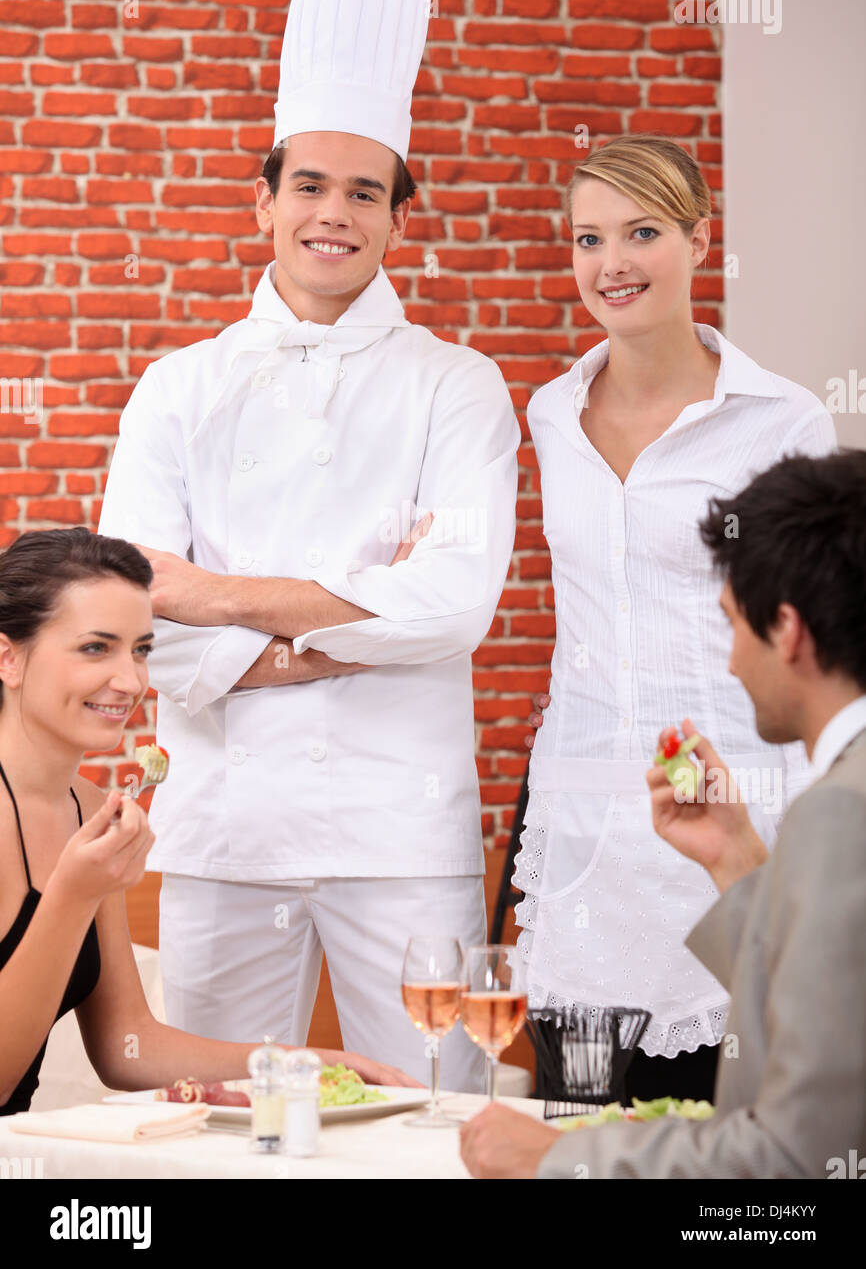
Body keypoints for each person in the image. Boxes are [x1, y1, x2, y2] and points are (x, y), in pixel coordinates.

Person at [97, 0, 519, 1091]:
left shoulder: (458, 385)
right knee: (223, 1124)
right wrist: (350, 623)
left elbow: (450, 610)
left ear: (396, 216)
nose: (333, 214)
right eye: (310, 185)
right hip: (227, 836)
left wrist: (218, 596)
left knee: (439, 1126)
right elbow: (145, 628)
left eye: (364, 192)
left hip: (405, 839)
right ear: (264, 196)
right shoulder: (177, 385)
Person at [511, 134, 836, 1101]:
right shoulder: (549, 416)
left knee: (722, 1125)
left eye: (642, 232)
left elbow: (814, 645)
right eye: (588, 239)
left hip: (727, 816)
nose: (611, 265)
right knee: (578, 1123)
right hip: (581, 815)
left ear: (700, 239)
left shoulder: (782, 421)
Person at [462, 449, 866, 1178]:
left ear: (789, 630)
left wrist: (568, 1157)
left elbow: (797, 1158)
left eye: (732, 628)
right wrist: (735, 856)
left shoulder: (839, 812)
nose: (732, 664)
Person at [0, 528, 417, 1117]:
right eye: (96, 648)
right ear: (8, 658)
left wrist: (301, 1064)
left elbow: (127, 1048)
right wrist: (73, 891)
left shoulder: (92, 812)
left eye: (140, 649)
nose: (129, 681)